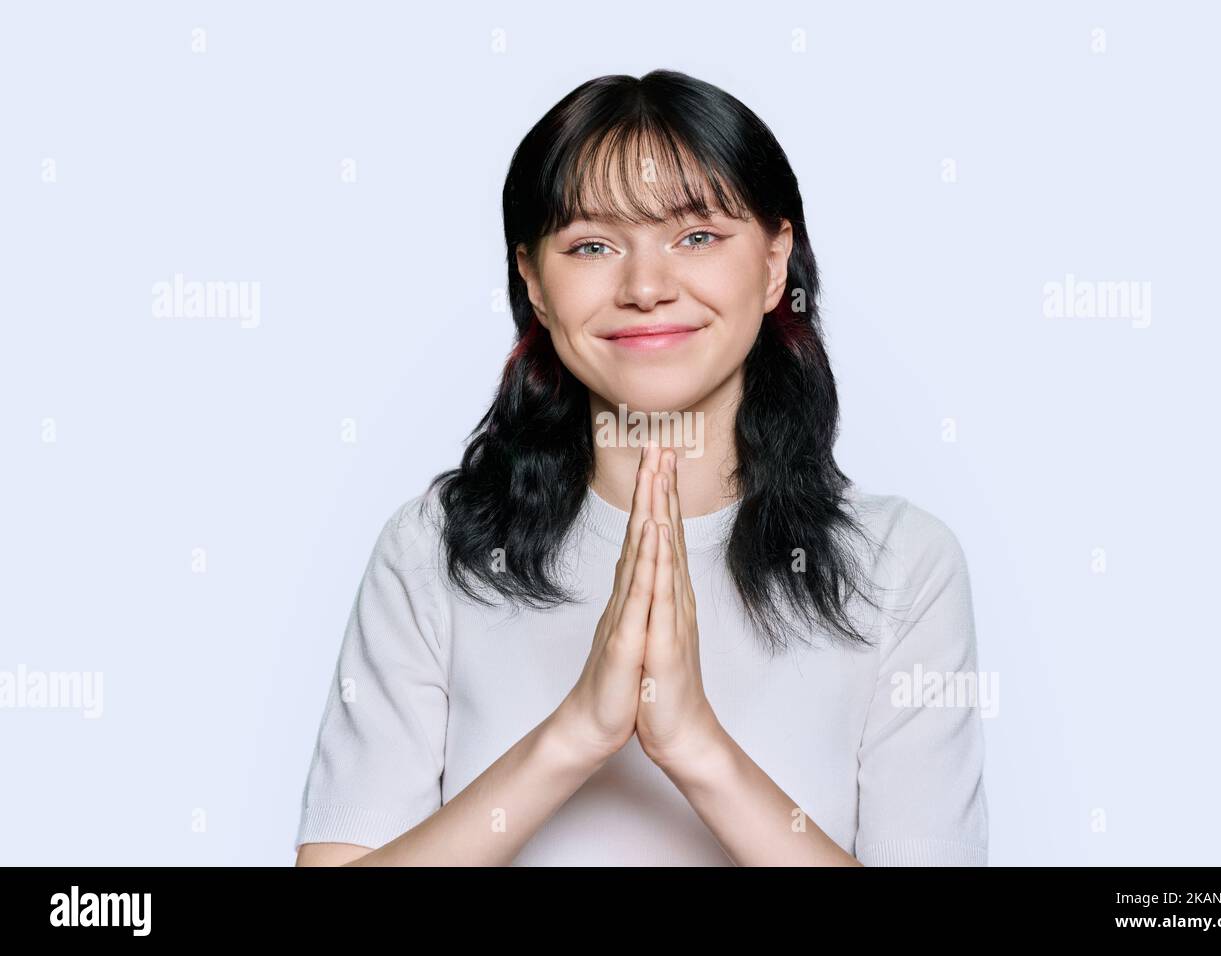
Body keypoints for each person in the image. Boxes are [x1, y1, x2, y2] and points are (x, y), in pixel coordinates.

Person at [294, 69, 989, 866]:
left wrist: (696, 746)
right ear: (534, 284)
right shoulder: (433, 551)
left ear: (773, 263)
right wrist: (576, 734)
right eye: (592, 245)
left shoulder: (903, 568)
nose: (646, 287)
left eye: (696, 236)